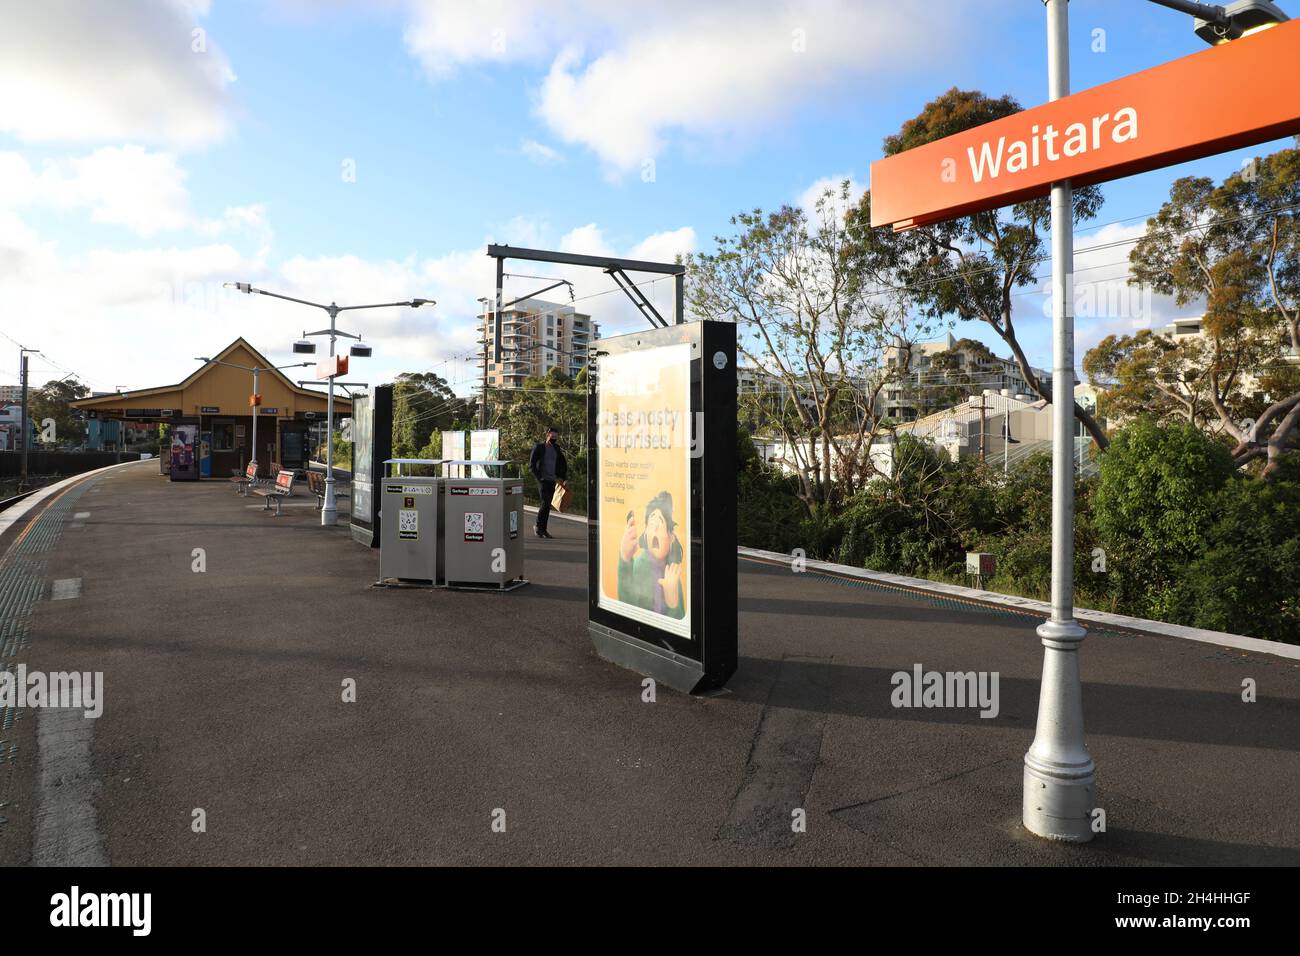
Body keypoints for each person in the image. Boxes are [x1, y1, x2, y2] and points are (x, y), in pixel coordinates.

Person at [528, 425, 567, 538]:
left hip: (552, 480)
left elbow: (561, 464)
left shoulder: (557, 449)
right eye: (552, 436)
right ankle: (539, 527)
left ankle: (542, 529)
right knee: (545, 503)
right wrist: (539, 477)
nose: (554, 438)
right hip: (542, 480)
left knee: (547, 504)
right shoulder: (539, 447)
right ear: (547, 435)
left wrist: (564, 478)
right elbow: (532, 465)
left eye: (556, 436)